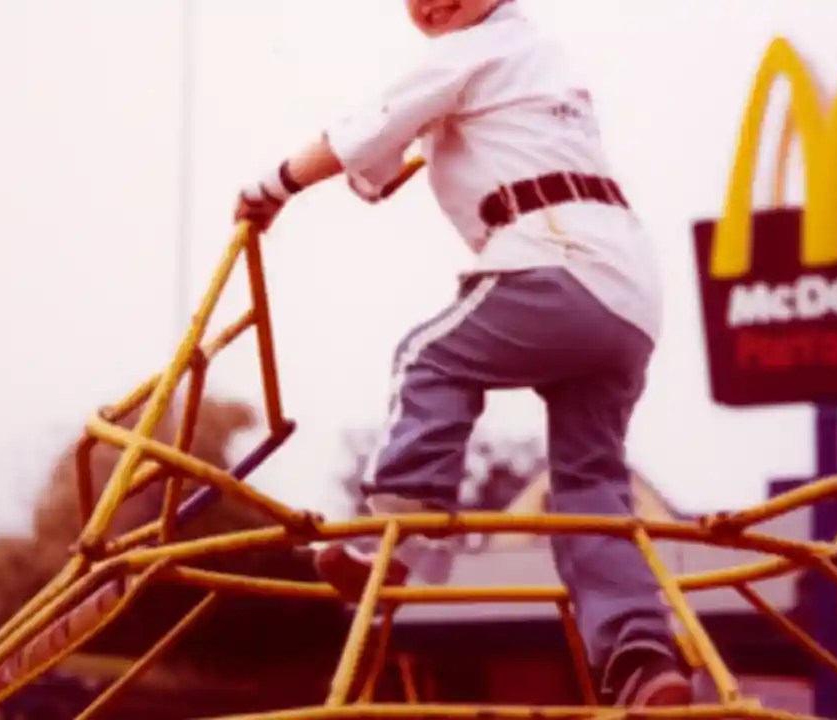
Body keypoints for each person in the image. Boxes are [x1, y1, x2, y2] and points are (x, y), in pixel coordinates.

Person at [235, 0, 692, 708]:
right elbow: (386, 159)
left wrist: (272, 187)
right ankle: (641, 659)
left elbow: (369, 125)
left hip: (557, 262)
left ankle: (406, 550)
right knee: (590, 489)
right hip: (628, 295)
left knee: (430, 359)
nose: (428, 5)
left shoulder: (471, 50)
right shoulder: (536, 61)